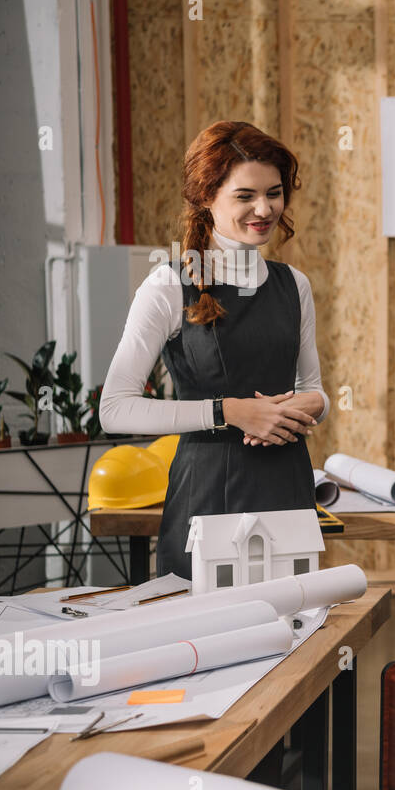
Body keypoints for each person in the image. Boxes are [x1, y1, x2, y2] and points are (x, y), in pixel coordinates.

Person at [99, 121, 328, 579]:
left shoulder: (293, 285)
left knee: (298, 639)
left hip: (288, 489)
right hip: (207, 498)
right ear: (207, 196)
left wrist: (312, 404)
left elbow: (314, 390)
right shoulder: (168, 285)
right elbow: (115, 410)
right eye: (244, 196)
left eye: (274, 192)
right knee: (207, 642)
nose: (264, 208)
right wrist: (229, 412)